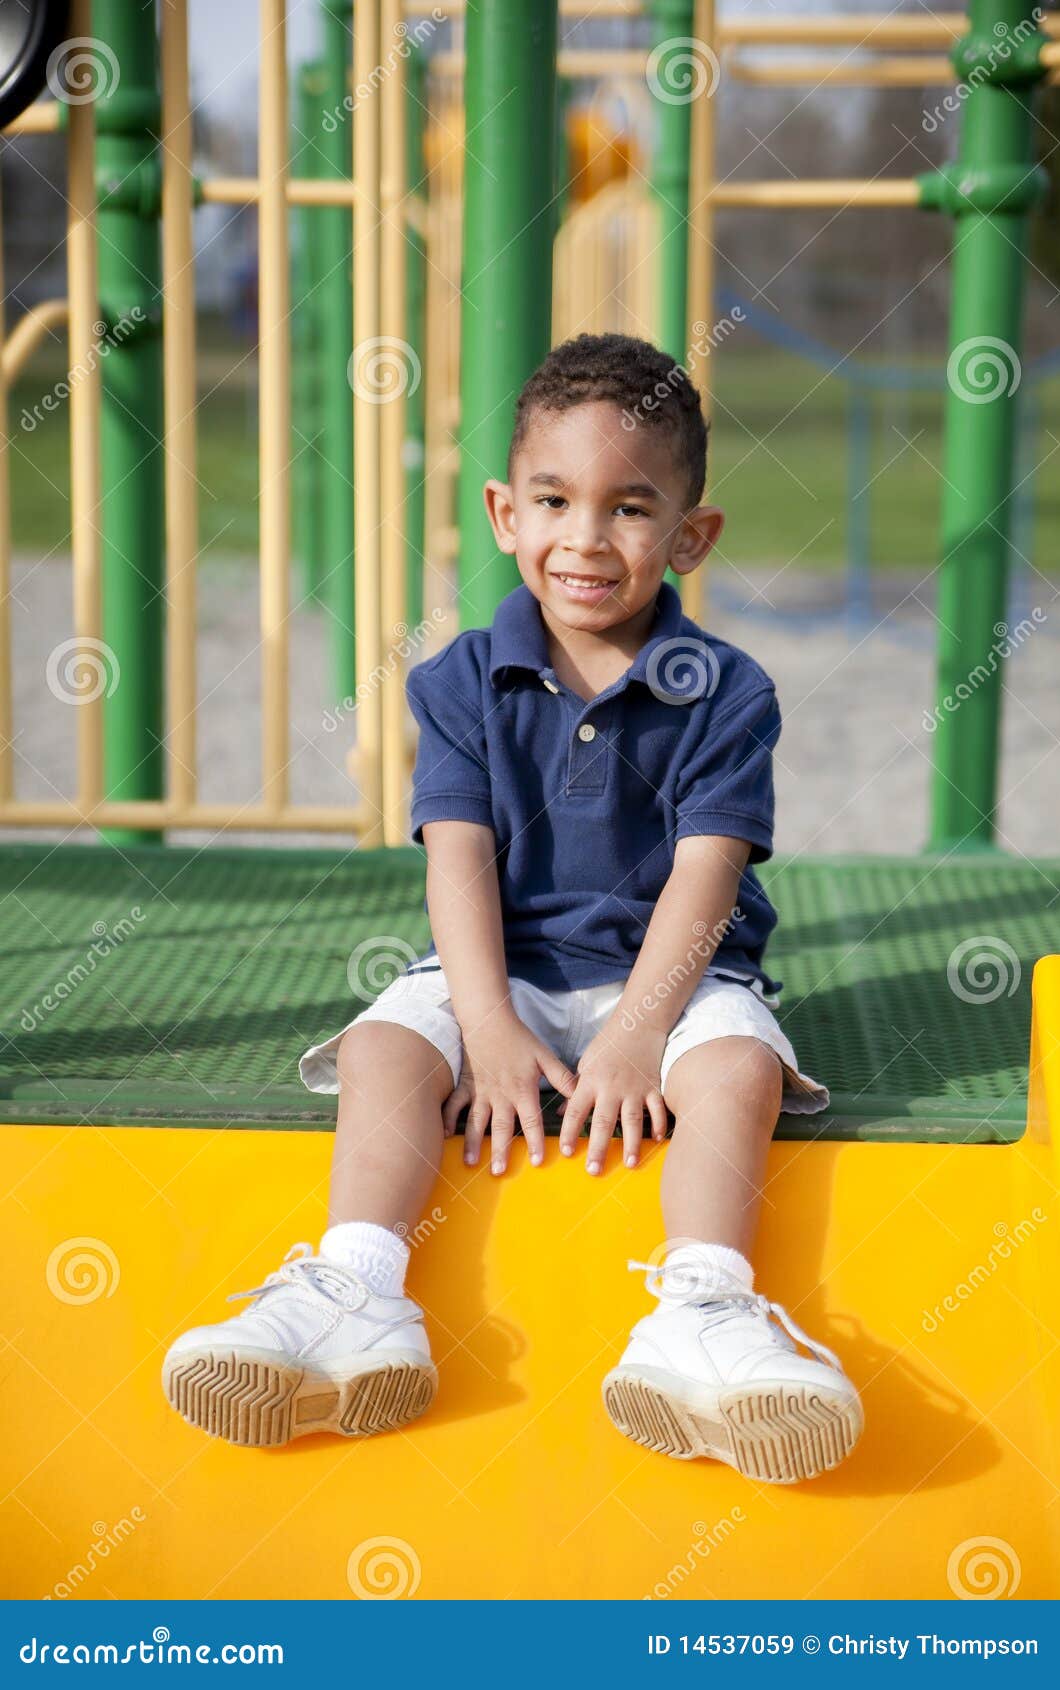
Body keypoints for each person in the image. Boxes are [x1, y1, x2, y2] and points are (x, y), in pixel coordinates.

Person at [162, 333, 862, 1483]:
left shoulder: (725, 691)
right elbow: (457, 858)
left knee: (738, 1073)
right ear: (503, 512)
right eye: (552, 500)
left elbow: (707, 877)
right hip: (504, 966)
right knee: (383, 1047)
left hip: (676, 978)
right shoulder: (456, 680)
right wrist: (485, 1026)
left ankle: (700, 1311)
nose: (584, 537)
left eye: (628, 508)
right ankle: (357, 1288)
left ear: (689, 536)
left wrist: (636, 1031)